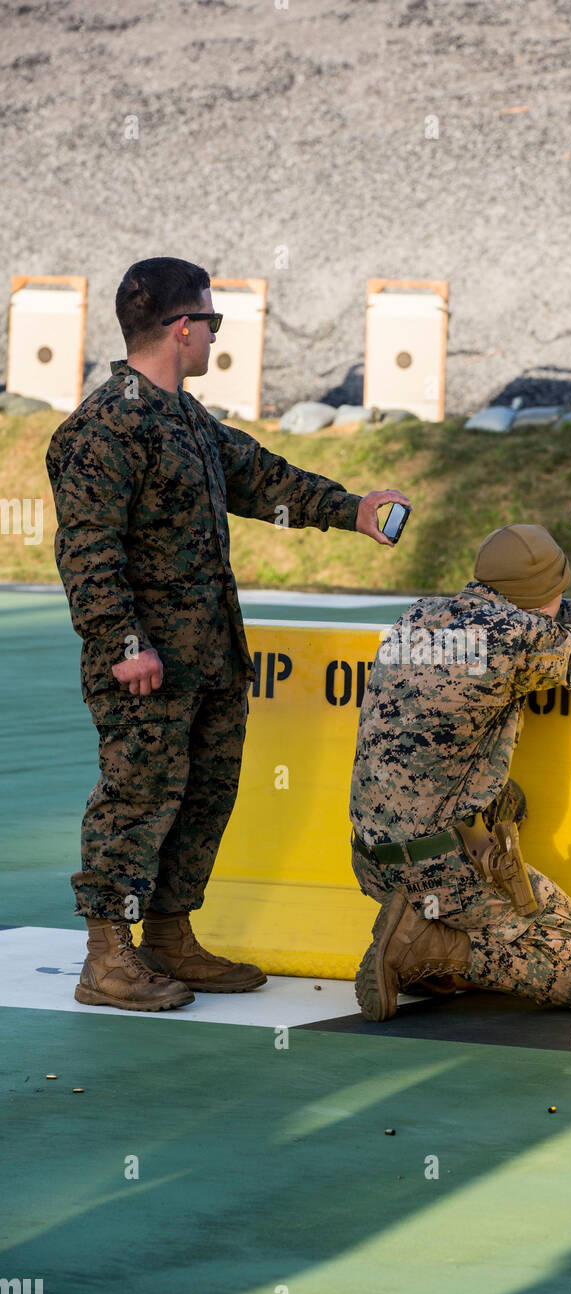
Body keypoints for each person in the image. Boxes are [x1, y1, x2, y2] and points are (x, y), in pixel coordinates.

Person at [46, 256, 409, 1012]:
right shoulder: (105, 425)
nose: (215, 336)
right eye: (211, 323)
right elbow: (87, 549)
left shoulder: (183, 416)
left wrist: (353, 509)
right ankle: (106, 957)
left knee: (203, 795)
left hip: (207, 656)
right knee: (136, 797)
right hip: (146, 662)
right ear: (184, 328)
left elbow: (261, 479)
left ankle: (170, 937)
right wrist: (122, 644)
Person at [349, 523, 571, 1021]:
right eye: (556, 592)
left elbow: (539, 621)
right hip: (440, 868)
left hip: (373, 857)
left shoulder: (420, 615)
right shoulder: (515, 639)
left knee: (509, 800)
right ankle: (424, 947)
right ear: (536, 598)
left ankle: (420, 922)